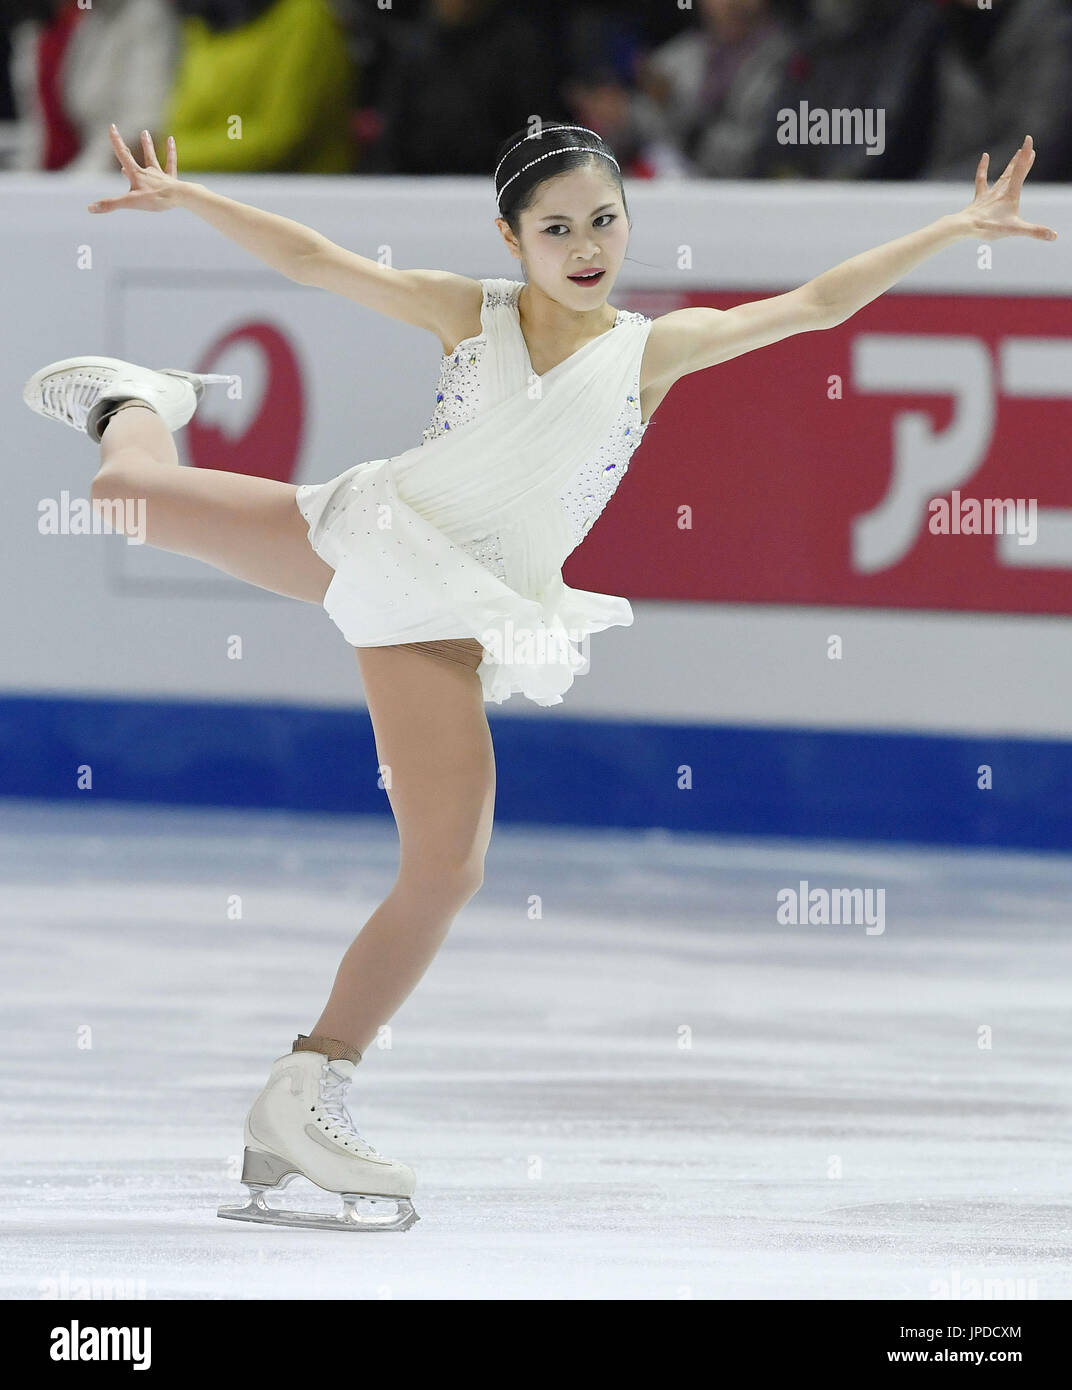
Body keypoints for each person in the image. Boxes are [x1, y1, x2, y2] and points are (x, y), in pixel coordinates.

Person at [22, 119, 1055, 1229]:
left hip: (447, 594)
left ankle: (311, 1081)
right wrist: (193, 200)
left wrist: (952, 225)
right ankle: (131, 402)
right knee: (125, 504)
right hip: (380, 535)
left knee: (446, 864)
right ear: (511, 238)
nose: (583, 245)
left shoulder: (649, 352)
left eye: (602, 220)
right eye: (554, 226)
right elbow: (318, 261)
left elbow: (811, 306)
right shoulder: (475, 315)